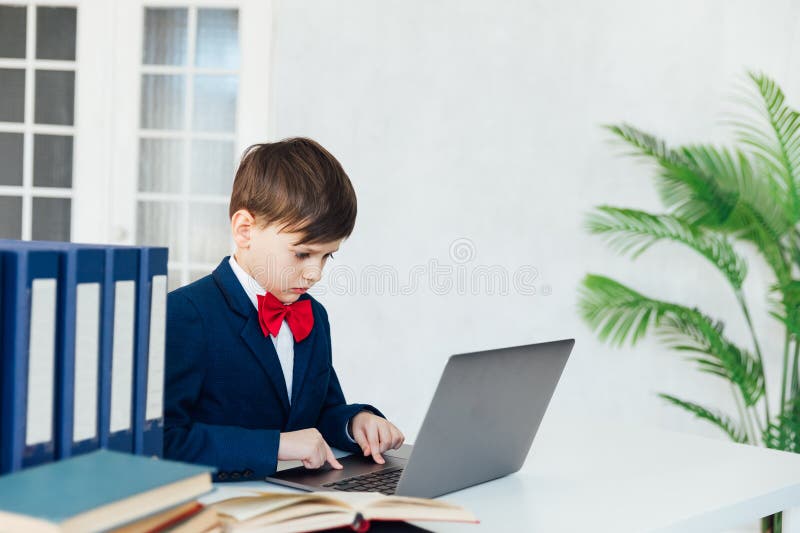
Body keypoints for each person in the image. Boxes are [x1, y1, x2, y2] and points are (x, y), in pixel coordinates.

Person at [164, 138, 404, 481]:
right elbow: (161, 442)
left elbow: (321, 412)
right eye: (303, 254)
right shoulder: (185, 314)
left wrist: (355, 423)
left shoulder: (314, 316)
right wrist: (275, 445)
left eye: (327, 256)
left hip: (303, 498)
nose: (315, 273)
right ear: (245, 230)